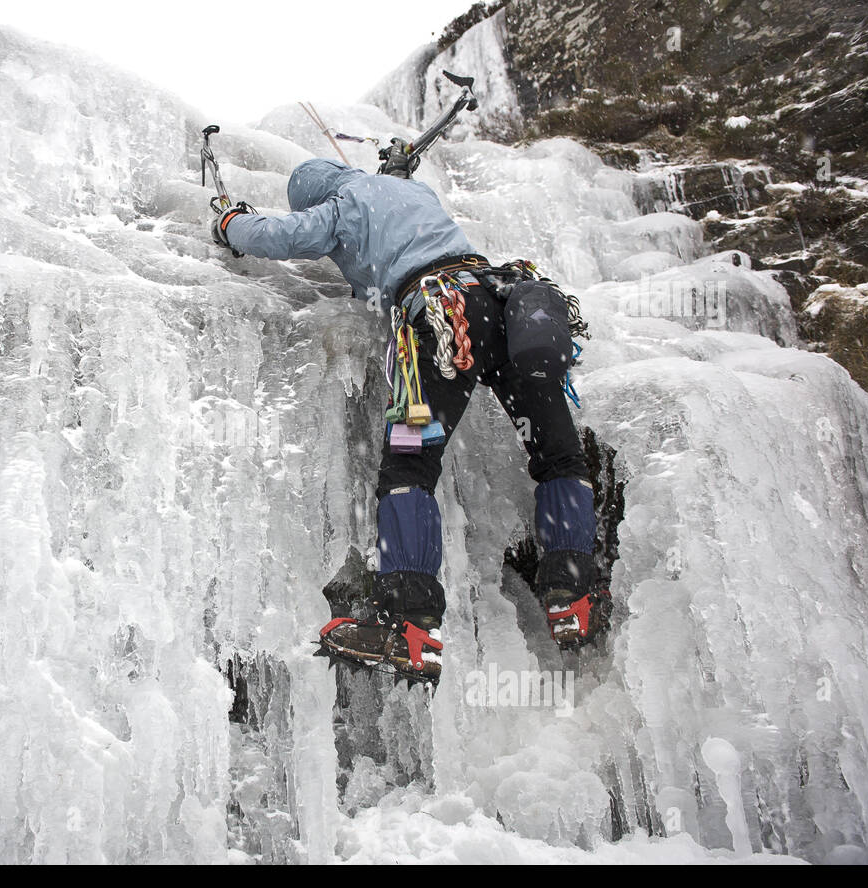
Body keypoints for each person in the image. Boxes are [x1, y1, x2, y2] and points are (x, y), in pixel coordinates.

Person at [211, 148, 602, 676]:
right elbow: (393, 200)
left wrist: (231, 222)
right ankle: (572, 593)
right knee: (557, 455)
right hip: (504, 306)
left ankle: (409, 623)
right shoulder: (411, 190)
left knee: (410, 466)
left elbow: (282, 238)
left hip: (441, 316)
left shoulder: (342, 203)